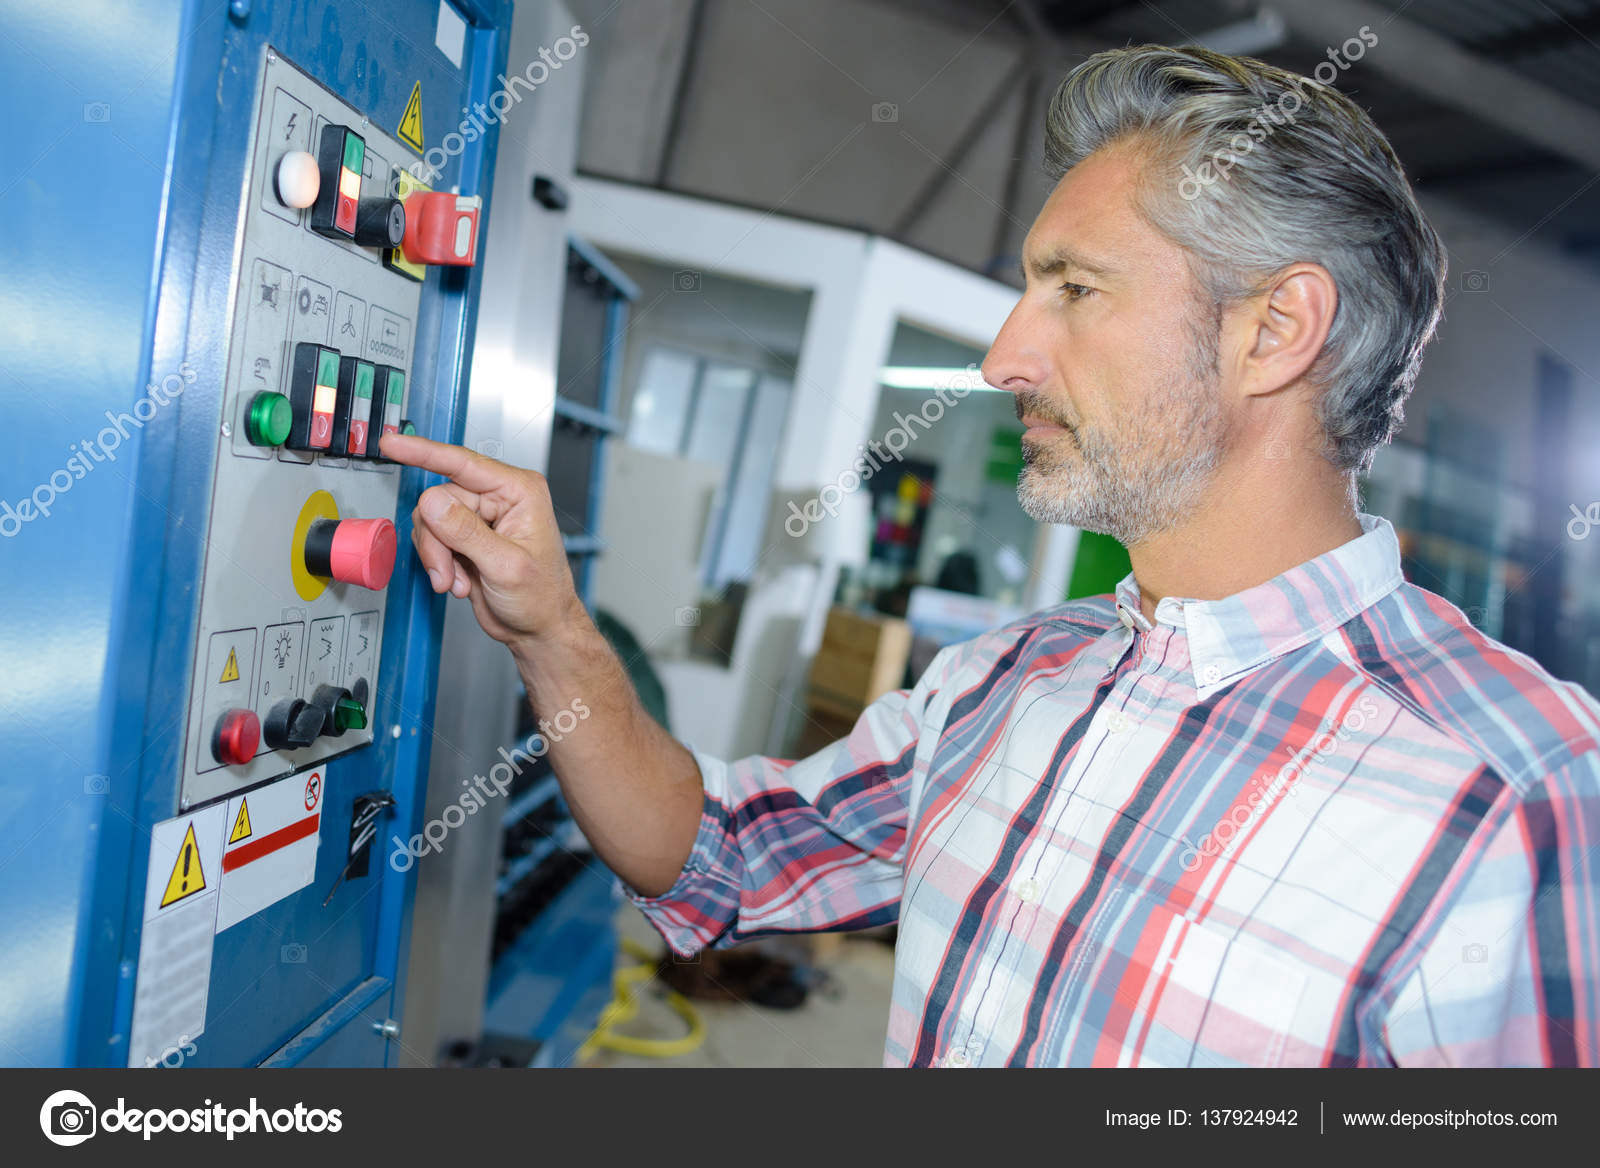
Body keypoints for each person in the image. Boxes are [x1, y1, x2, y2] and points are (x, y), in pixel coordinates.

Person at [379, 45, 1600, 1067]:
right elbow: (716, 851)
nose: (1004, 356)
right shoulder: (1004, 681)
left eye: (1072, 288)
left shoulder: (1517, 790)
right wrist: (552, 629)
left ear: (1274, 330)